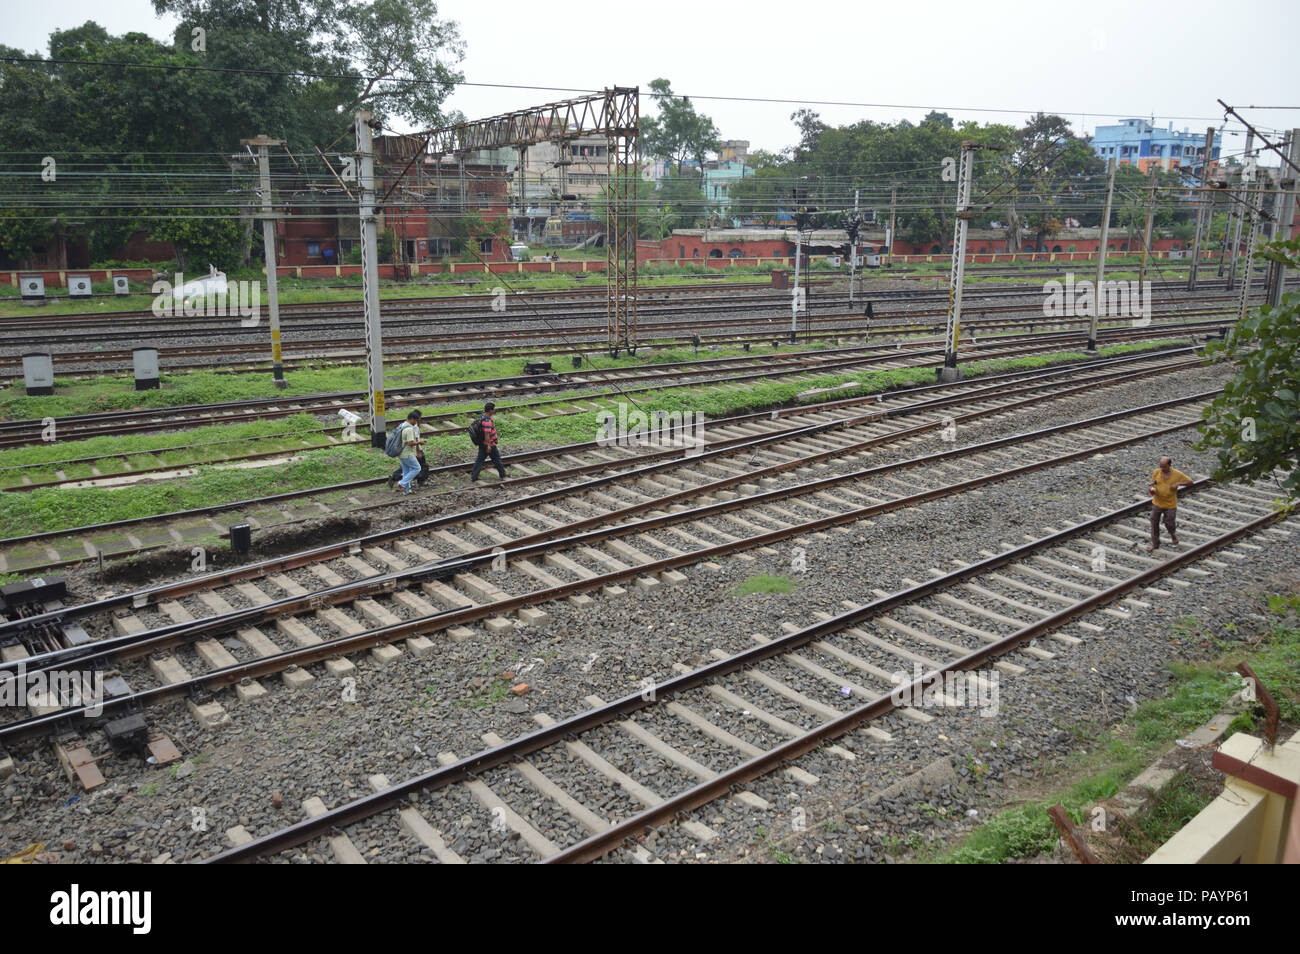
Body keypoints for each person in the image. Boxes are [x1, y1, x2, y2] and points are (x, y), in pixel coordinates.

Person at [1147, 456, 1193, 551]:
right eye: (1160, 466)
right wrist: (1152, 489)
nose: (1162, 468)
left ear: (1169, 465)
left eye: (1164, 466)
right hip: (1157, 503)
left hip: (1170, 505)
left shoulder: (1177, 474)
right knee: (1154, 523)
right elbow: (1153, 483)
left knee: (1169, 523)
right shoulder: (1157, 472)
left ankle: (1173, 534)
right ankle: (1155, 544)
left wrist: (1178, 484)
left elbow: (1190, 482)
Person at [470, 401, 508, 483]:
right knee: (496, 459)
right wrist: (489, 445)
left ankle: (474, 476)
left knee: (480, 460)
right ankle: (503, 474)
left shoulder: (482, 417)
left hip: (483, 443)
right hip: (489, 444)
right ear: (490, 410)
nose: (494, 411)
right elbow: (486, 434)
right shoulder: (487, 421)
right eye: (493, 409)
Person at [393, 410, 425, 495]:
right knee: (417, 468)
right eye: (416, 421)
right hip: (407, 453)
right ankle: (402, 483)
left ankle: (407, 490)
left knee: (406, 471)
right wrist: (419, 443)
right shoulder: (409, 429)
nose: (416, 423)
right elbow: (410, 443)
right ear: (412, 419)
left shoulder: (401, 426)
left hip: (400, 453)